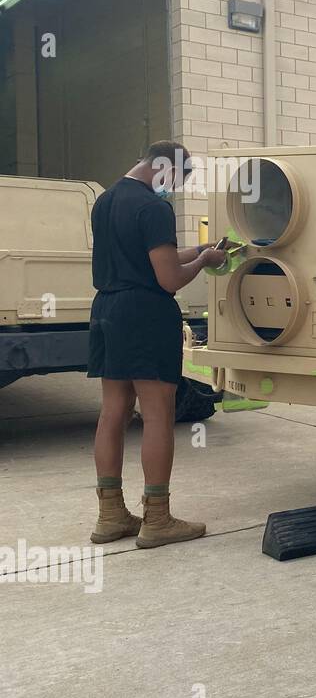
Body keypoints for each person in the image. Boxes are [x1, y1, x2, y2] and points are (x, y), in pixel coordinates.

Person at [89, 141, 227, 548]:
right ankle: (158, 518)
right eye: (177, 180)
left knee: (113, 410)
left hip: (107, 310)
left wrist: (198, 249)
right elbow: (167, 278)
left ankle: (110, 514)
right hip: (145, 314)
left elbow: (151, 256)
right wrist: (204, 263)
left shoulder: (106, 199)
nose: (174, 189)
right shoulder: (153, 207)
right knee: (156, 414)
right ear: (163, 167)